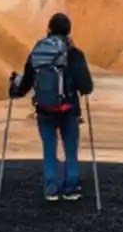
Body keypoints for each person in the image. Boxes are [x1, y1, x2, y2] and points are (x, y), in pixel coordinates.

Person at [9, 12, 94, 202]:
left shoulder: (38, 52)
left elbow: (26, 84)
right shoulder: (75, 54)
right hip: (69, 110)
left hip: (44, 110)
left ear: (49, 29)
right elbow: (87, 87)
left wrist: (14, 88)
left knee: (49, 149)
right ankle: (71, 188)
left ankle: (51, 189)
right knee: (70, 149)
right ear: (69, 31)